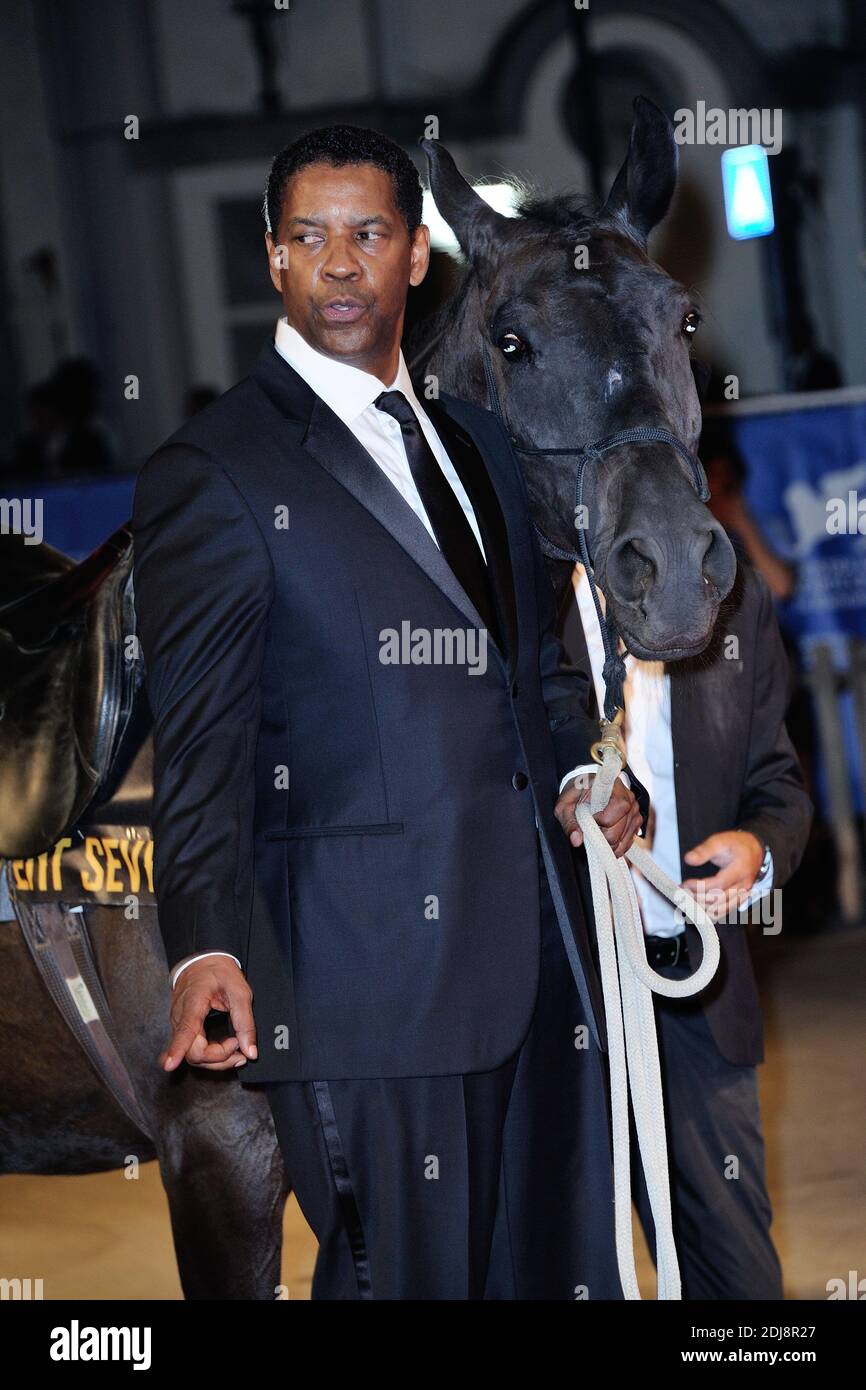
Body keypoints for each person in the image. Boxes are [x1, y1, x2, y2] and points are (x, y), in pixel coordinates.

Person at [132, 124, 644, 1300]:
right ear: (273, 260)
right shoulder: (212, 472)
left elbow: (542, 674)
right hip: (365, 994)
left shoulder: (478, 444)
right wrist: (205, 944)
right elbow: (201, 748)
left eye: (368, 234)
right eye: (308, 239)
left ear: (418, 255)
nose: (341, 265)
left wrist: (585, 772)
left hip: (543, 965)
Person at [559, 553, 812, 1300]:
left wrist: (758, 849)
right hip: (562, 1005)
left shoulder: (731, 593)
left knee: (742, 1286)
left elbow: (780, 786)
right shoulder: (513, 589)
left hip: (697, 986)